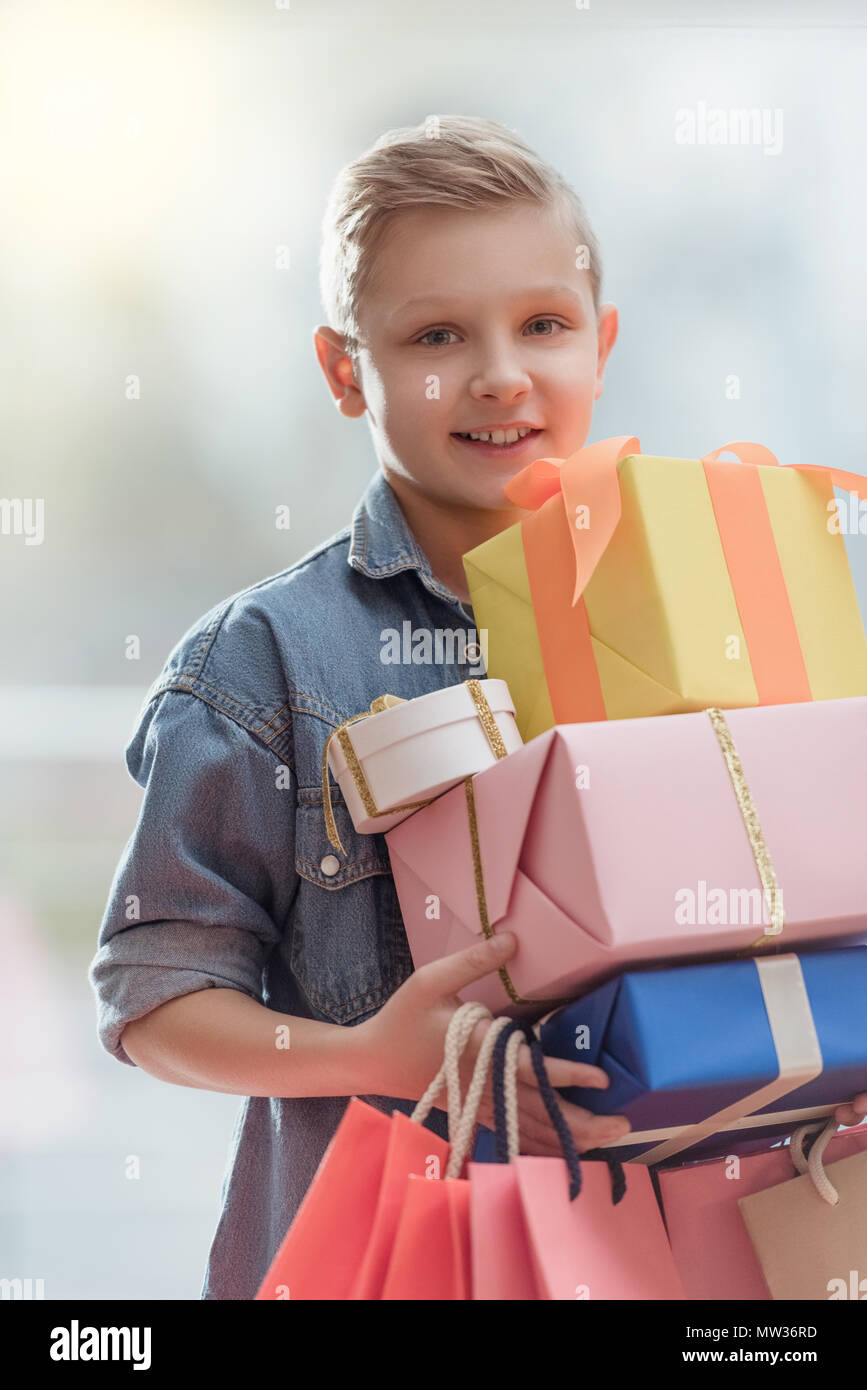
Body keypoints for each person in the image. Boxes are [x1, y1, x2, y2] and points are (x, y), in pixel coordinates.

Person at [88, 114, 867, 1301]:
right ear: (348, 369)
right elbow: (155, 996)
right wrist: (367, 1056)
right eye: (437, 335)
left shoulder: (731, 596)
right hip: (410, 1250)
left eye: (542, 325)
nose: (503, 373)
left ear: (600, 345)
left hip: (710, 1249)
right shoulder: (267, 660)